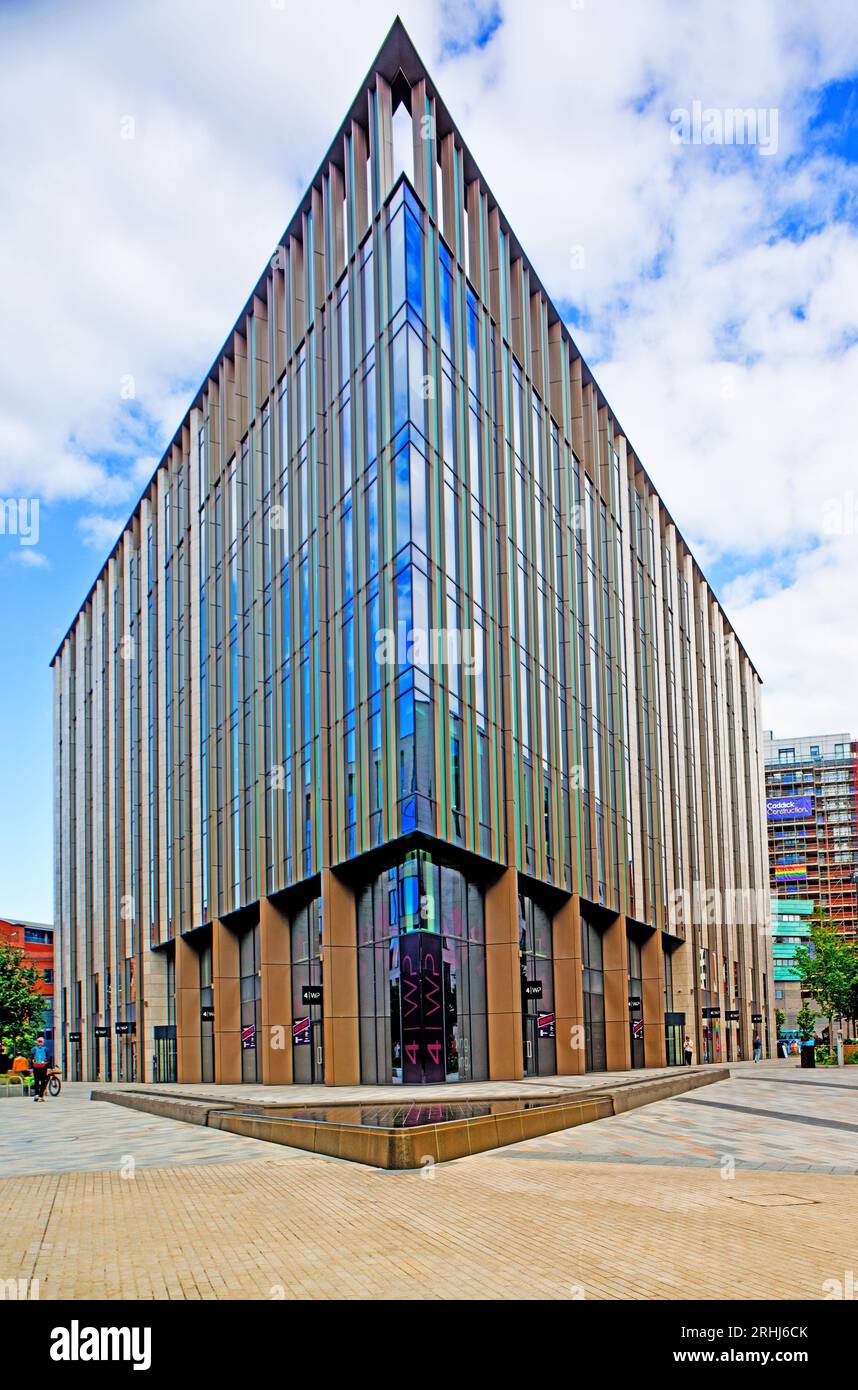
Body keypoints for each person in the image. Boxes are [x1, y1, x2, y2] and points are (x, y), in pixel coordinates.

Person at [30, 1036, 49, 1102]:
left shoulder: (34, 1049)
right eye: (39, 1041)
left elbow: (31, 1059)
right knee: (42, 1081)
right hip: (42, 1067)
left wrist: (31, 1068)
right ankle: (40, 1096)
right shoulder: (46, 1049)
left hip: (37, 1067)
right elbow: (48, 1058)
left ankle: (37, 1095)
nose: (40, 1043)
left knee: (37, 1081)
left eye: (41, 1041)